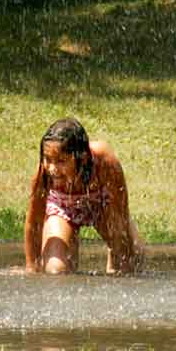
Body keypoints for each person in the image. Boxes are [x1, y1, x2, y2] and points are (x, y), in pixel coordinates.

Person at [23, 117, 142, 275]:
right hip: (63, 208)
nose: (52, 168)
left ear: (83, 157)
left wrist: (121, 253)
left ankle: (124, 260)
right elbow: (34, 223)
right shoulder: (42, 174)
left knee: (129, 265)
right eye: (48, 159)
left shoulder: (104, 161)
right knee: (55, 271)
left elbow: (119, 215)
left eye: (61, 161)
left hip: (102, 206)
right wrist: (32, 268)